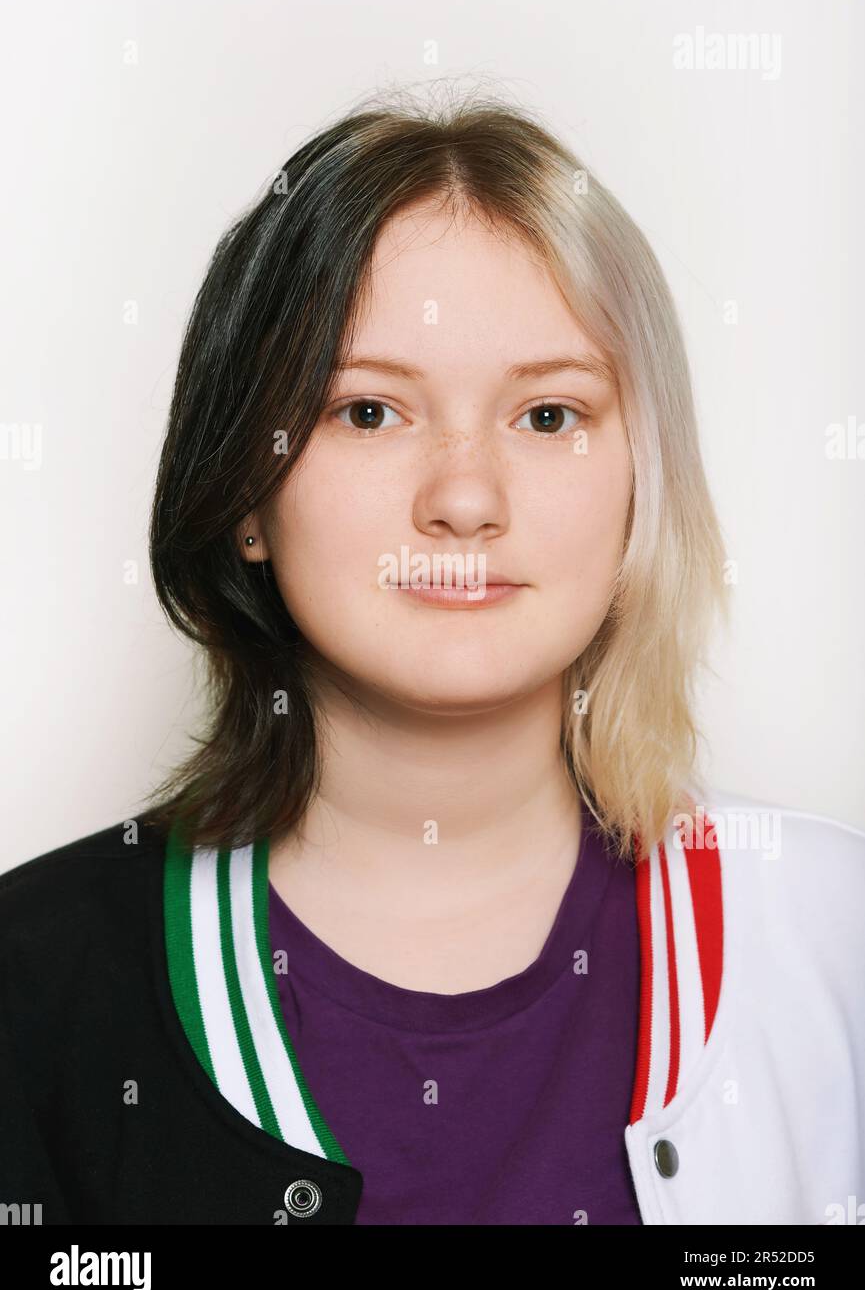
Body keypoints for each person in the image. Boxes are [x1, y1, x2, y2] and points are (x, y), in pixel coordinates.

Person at [2, 87, 863, 1227]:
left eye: (549, 416)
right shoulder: (35, 981)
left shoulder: (829, 934)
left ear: (639, 483)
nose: (464, 498)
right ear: (245, 491)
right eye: (368, 413)